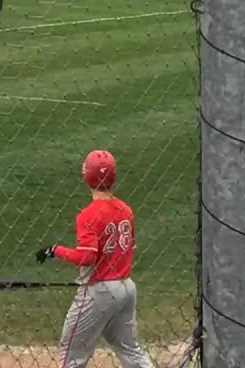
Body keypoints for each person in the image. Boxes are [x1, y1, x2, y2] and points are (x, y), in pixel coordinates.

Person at [35, 150, 156, 368]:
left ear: (87, 176)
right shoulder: (125, 210)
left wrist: (55, 250)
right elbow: (127, 248)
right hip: (126, 288)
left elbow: (87, 257)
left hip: (98, 292)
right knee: (130, 350)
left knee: (71, 356)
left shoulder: (88, 215)